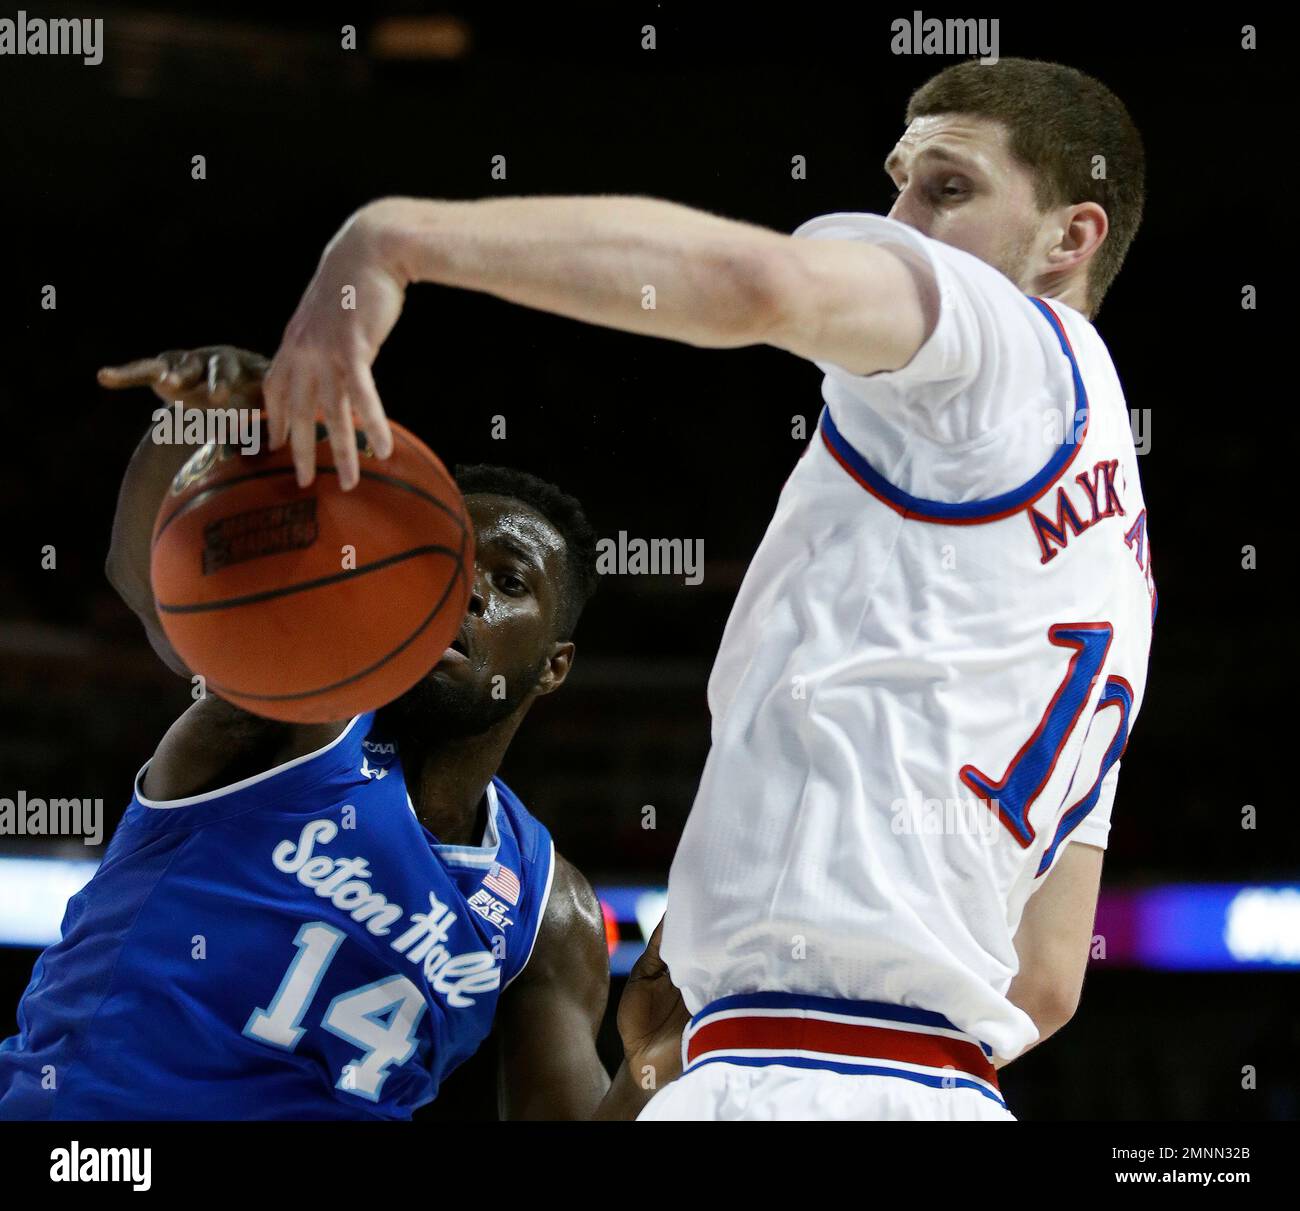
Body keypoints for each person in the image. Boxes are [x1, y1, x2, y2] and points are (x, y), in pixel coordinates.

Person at [260, 57, 1153, 1120]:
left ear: (1070, 238)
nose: (902, 217)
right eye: (900, 180)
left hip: (795, 1072)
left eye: (948, 188)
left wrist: (394, 239)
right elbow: (1047, 977)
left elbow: (760, 285)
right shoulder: (1112, 561)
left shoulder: (1000, 343)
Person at [0, 347, 686, 1120]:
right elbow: (153, 587)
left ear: (554, 666)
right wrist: (206, 423)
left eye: (509, 580)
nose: (467, 594)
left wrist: (646, 1069)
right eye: (451, 564)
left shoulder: (549, 911)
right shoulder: (299, 715)